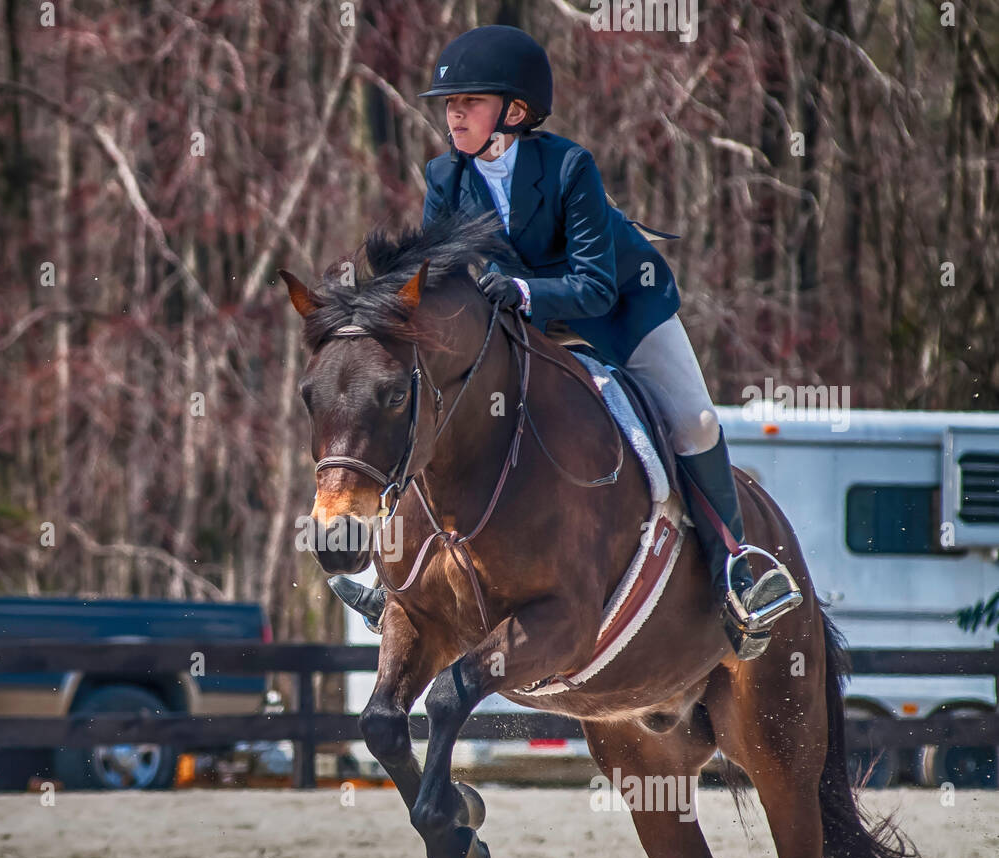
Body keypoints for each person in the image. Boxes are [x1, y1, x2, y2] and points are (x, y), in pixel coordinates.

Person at [328, 24, 801, 661]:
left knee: (694, 420)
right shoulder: (445, 174)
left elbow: (595, 286)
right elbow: (444, 274)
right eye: (449, 103)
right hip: (521, 322)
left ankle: (736, 571)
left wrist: (521, 293)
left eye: (469, 102)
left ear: (514, 112)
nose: (453, 113)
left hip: (618, 309)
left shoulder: (569, 167)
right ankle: (397, 582)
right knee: (429, 404)